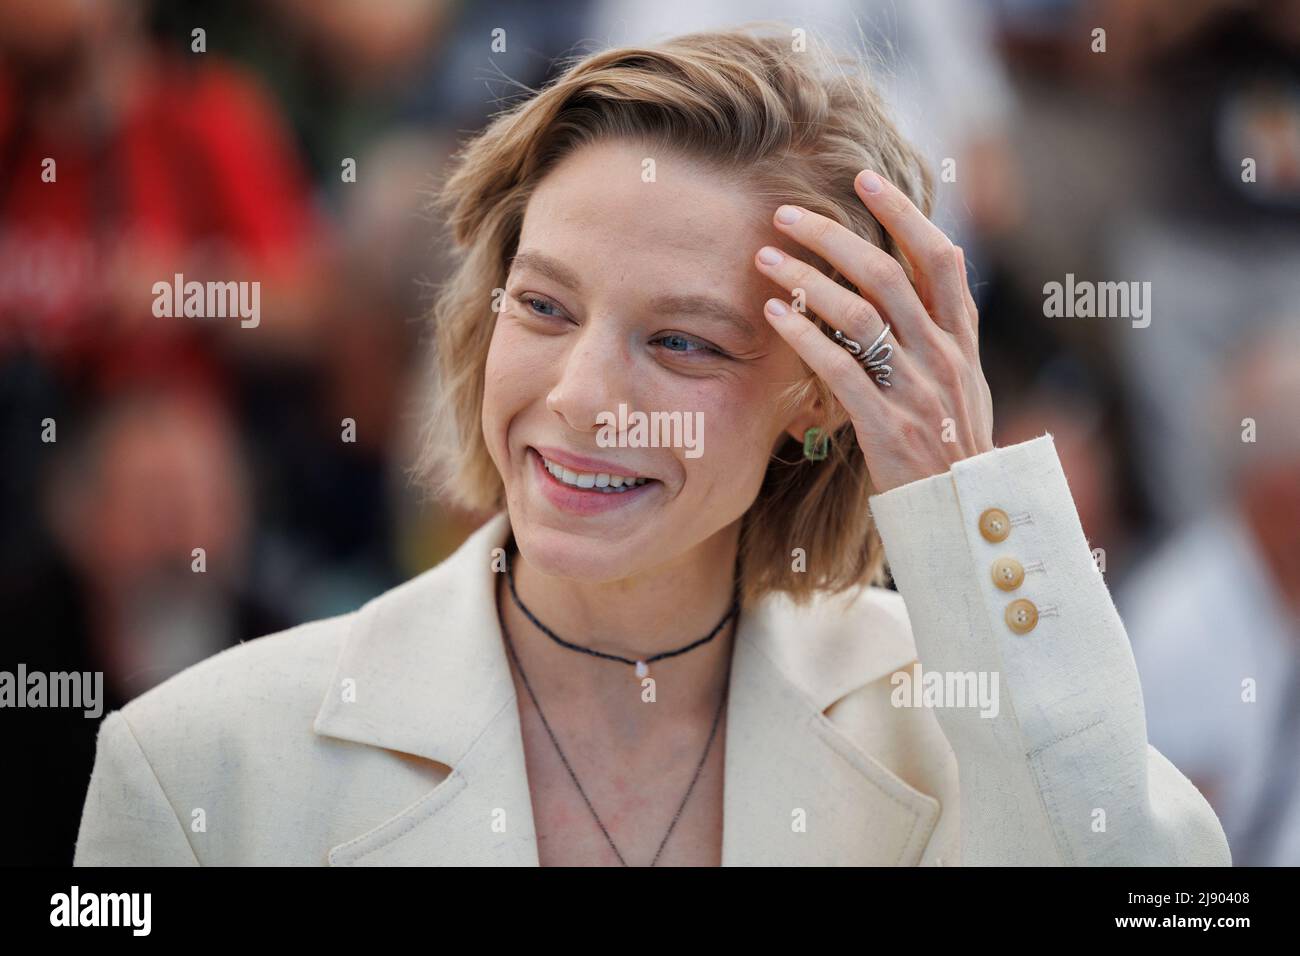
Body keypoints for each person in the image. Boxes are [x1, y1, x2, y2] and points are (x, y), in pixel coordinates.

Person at [73, 26, 1229, 866]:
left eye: (681, 340)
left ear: (822, 397)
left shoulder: (957, 722)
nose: (581, 397)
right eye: (544, 307)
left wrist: (959, 493)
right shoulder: (196, 766)